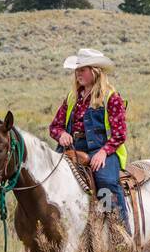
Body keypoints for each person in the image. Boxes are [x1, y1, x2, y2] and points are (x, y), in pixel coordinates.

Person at [49, 47, 130, 233]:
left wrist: (103, 152)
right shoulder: (72, 97)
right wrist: (61, 134)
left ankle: (119, 230)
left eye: (82, 70)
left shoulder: (111, 97)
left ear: (95, 72)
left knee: (106, 182)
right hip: (71, 148)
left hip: (101, 149)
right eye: (77, 70)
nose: (78, 74)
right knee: (49, 177)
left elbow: (119, 134)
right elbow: (55, 126)